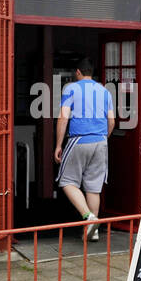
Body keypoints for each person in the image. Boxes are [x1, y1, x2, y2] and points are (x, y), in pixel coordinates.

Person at [54, 58, 115, 241]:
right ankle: (93, 232)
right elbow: (112, 121)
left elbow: (63, 117)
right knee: (94, 187)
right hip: (101, 141)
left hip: (79, 139)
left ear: (78, 72)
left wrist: (58, 145)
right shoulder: (105, 91)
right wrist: (104, 137)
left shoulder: (71, 88)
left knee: (66, 181)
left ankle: (89, 218)